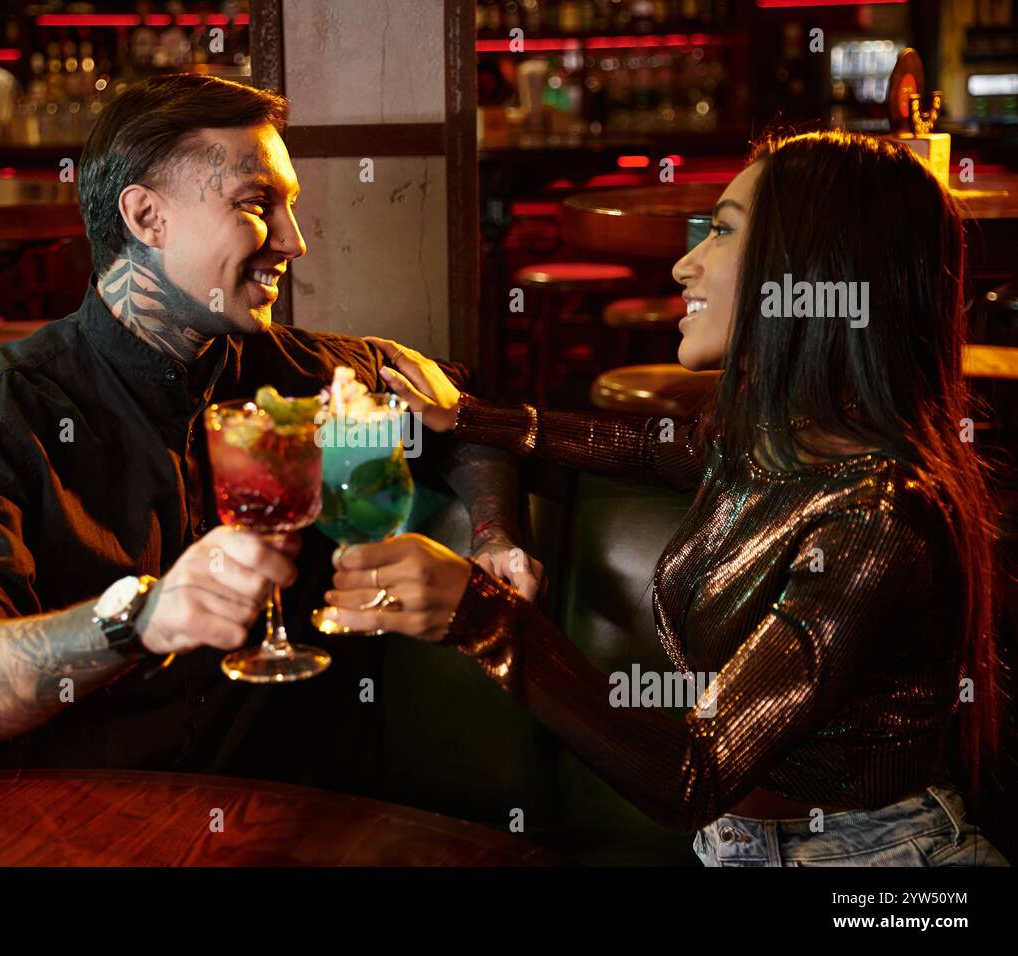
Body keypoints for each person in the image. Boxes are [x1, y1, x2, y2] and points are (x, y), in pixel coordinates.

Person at [325, 130, 1011, 865]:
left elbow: (695, 776)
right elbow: (646, 447)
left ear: (811, 271)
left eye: (720, 232)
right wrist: (465, 414)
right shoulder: (772, 441)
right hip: (743, 848)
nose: (685, 264)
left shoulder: (876, 519)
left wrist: (480, 615)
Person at [0, 74, 537, 793]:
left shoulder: (308, 375)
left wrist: (495, 535)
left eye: (290, 208)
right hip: (43, 827)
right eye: (256, 204)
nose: (294, 241)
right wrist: (141, 619)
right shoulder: (5, 414)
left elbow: (466, 417)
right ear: (147, 217)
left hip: (263, 826)